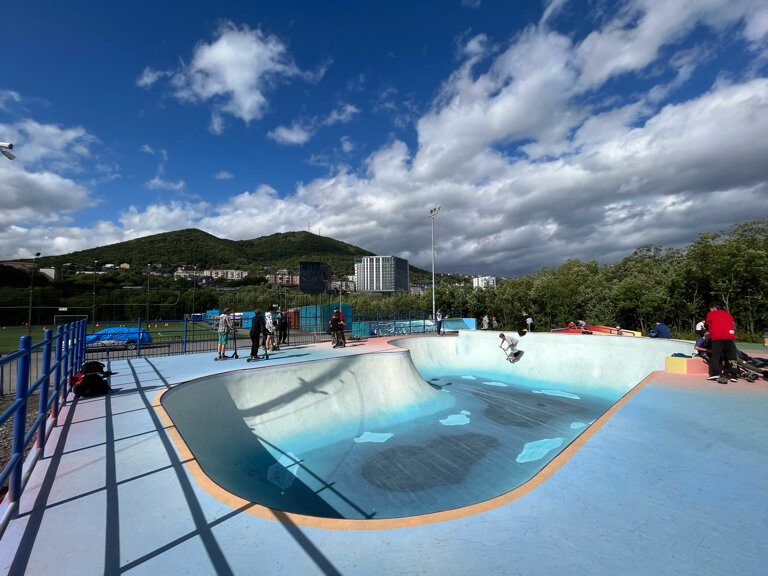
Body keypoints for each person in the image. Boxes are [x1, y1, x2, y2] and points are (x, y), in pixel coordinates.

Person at [705, 302, 738, 382]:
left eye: (711, 309)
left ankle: (714, 374)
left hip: (717, 337)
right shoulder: (727, 314)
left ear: (714, 308)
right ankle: (734, 375)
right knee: (731, 356)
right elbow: (732, 323)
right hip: (729, 336)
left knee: (716, 356)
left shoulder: (711, 314)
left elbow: (709, 324)